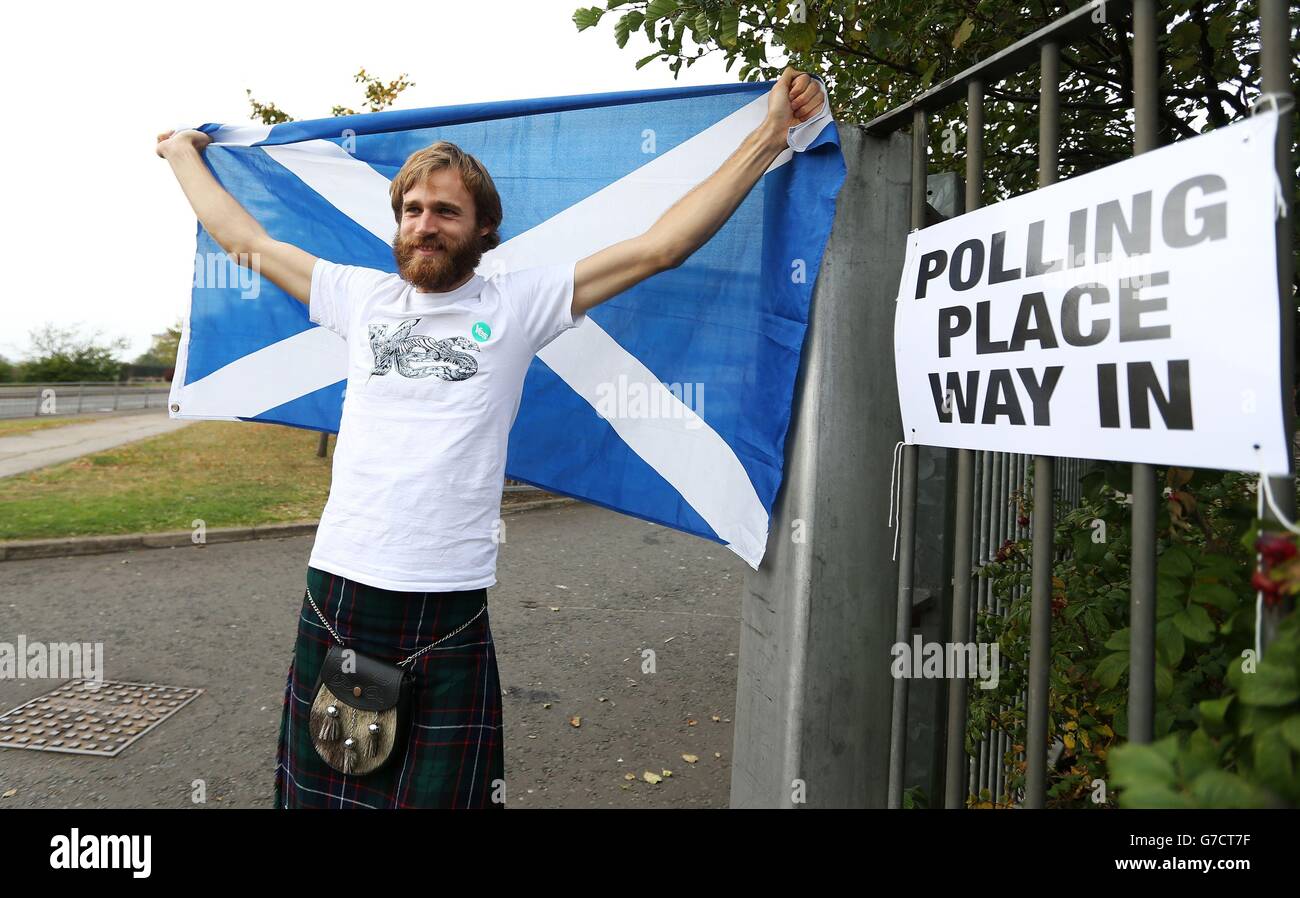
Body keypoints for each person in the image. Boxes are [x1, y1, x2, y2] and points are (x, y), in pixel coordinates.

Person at [155, 68, 826, 809]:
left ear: (482, 229)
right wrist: (184, 154)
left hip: (445, 594)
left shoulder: (520, 302)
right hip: (340, 578)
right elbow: (244, 239)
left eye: (445, 210)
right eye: (411, 209)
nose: (424, 223)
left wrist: (766, 138)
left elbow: (659, 247)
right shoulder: (359, 297)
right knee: (322, 796)